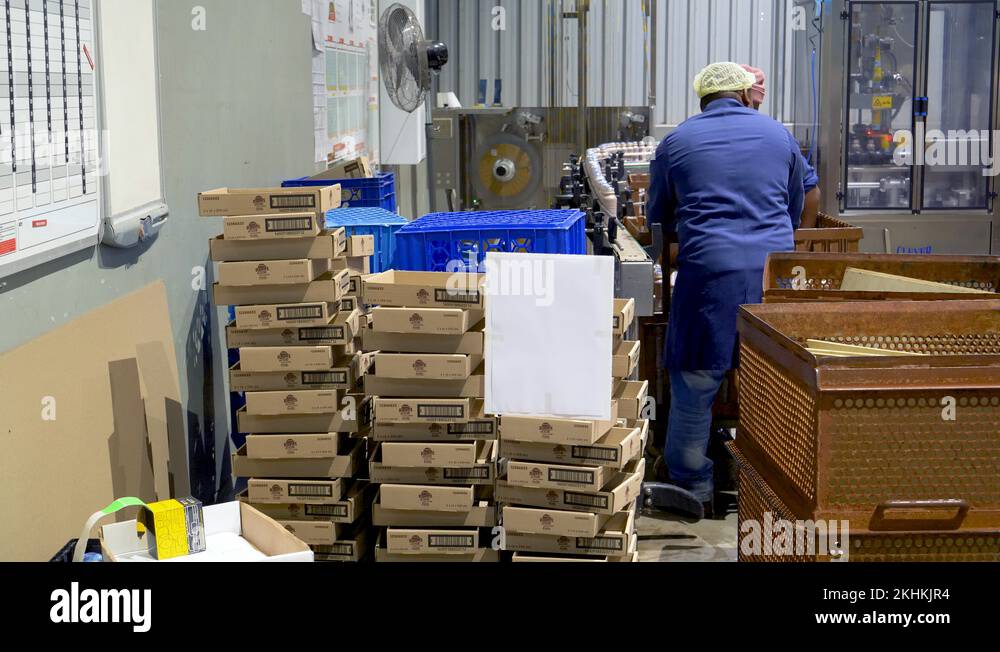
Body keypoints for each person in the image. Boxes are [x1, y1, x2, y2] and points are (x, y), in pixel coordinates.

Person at [646, 62, 806, 519]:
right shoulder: (780, 136)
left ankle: (694, 487)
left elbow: (660, 224)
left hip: (708, 277)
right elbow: (794, 209)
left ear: (701, 100)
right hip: (772, 277)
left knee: (696, 383)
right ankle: (770, 487)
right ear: (743, 93)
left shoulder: (675, 142)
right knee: (773, 386)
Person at [741, 63, 821, 228]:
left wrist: (802, 244)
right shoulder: (779, 135)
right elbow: (811, 191)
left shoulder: (778, 137)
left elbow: (811, 190)